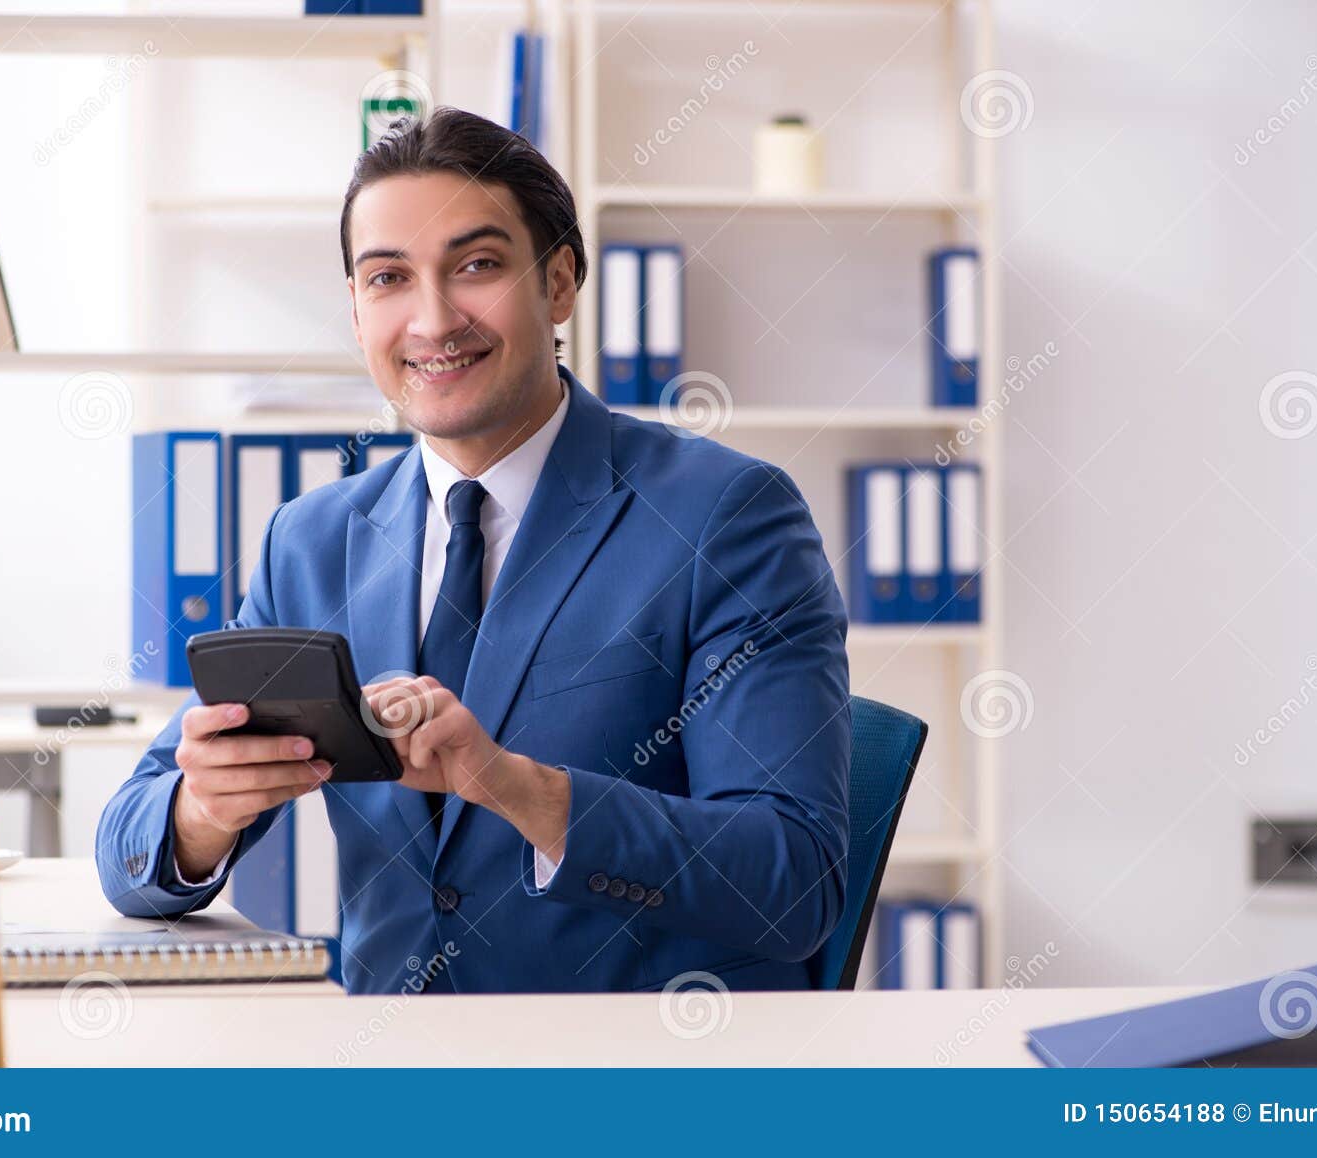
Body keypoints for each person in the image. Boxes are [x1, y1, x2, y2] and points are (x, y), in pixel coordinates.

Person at [97, 106, 851, 995]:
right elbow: (127, 848)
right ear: (354, 308)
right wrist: (202, 812)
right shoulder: (312, 541)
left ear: (560, 282)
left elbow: (791, 881)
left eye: (478, 266)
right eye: (388, 279)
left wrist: (518, 789)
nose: (432, 319)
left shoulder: (726, 515)